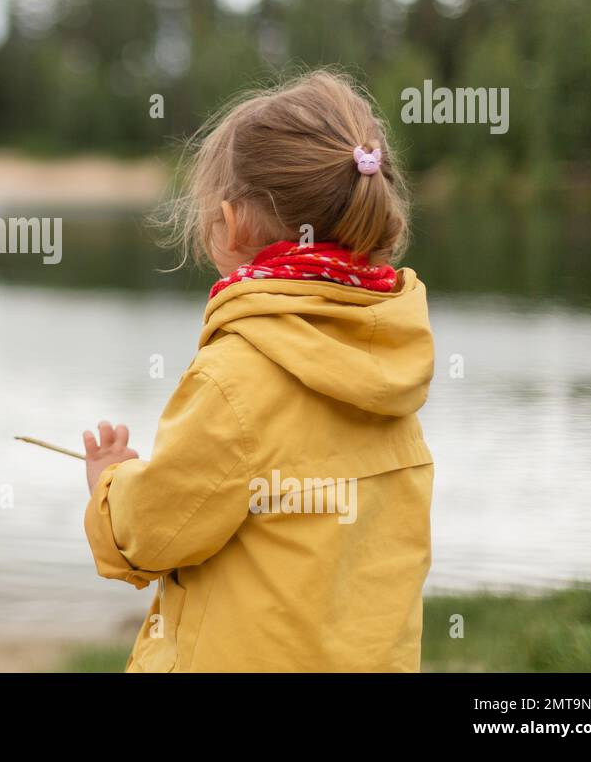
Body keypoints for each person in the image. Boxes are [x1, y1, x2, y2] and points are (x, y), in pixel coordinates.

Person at [83, 69, 434, 671]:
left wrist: (111, 487)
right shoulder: (391, 363)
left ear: (233, 222)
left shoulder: (238, 374)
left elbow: (160, 530)